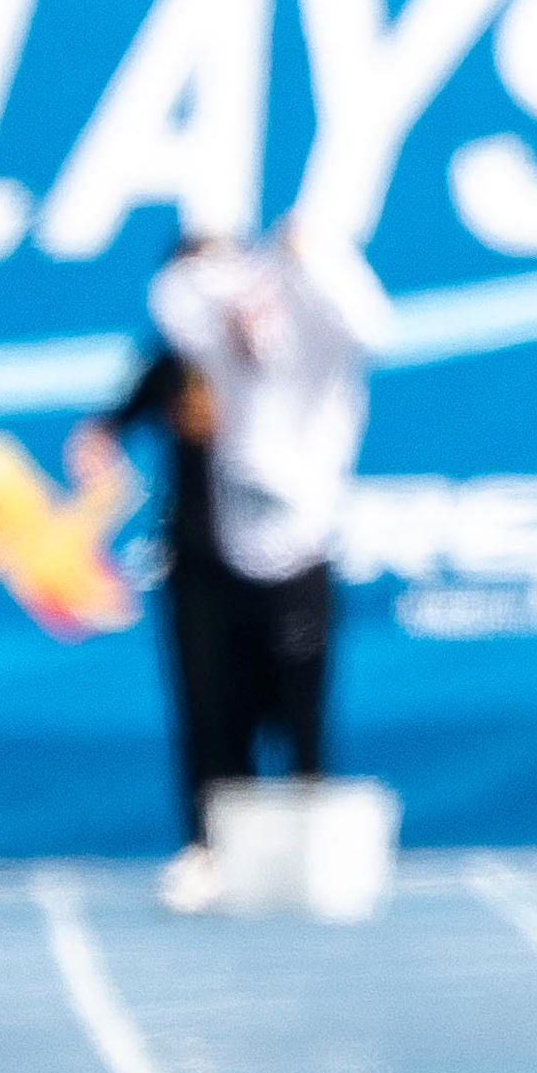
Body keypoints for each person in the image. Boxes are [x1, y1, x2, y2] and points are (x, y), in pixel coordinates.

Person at [143, 216, 389, 884]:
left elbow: (374, 322)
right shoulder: (219, 352)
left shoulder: (317, 355)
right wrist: (246, 270)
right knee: (220, 707)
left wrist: (311, 257)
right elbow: (173, 297)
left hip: (302, 552)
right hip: (225, 555)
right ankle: (218, 851)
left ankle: (309, 856)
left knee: (301, 709)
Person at [73, 269, 240, 900]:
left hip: (269, 557)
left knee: (269, 696)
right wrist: (98, 456)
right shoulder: (169, 365)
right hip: (195, 552)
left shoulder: (263, 358)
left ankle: (278, 839)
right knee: (202, 702)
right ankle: (207, 841)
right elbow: (106, 428)